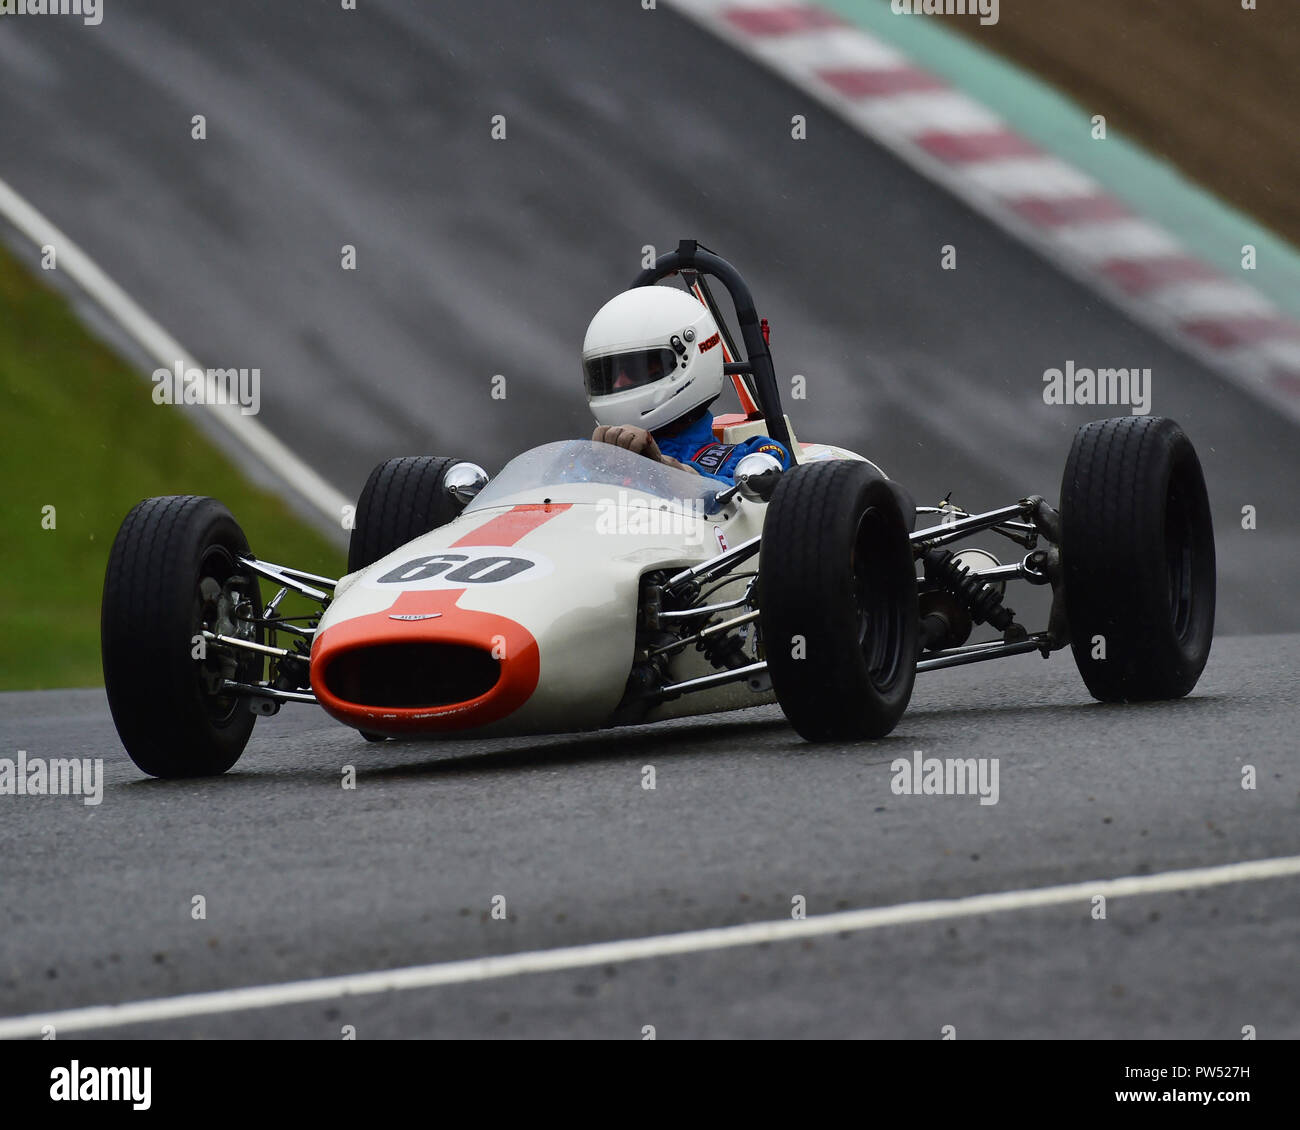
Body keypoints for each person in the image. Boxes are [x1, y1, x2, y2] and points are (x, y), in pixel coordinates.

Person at [581, 287, 791, 483]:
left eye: (635, 370)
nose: (619, 382)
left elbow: (741, 502)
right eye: (607, 375)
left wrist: (661, 468)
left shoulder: (751, 458)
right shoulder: (581, 463)